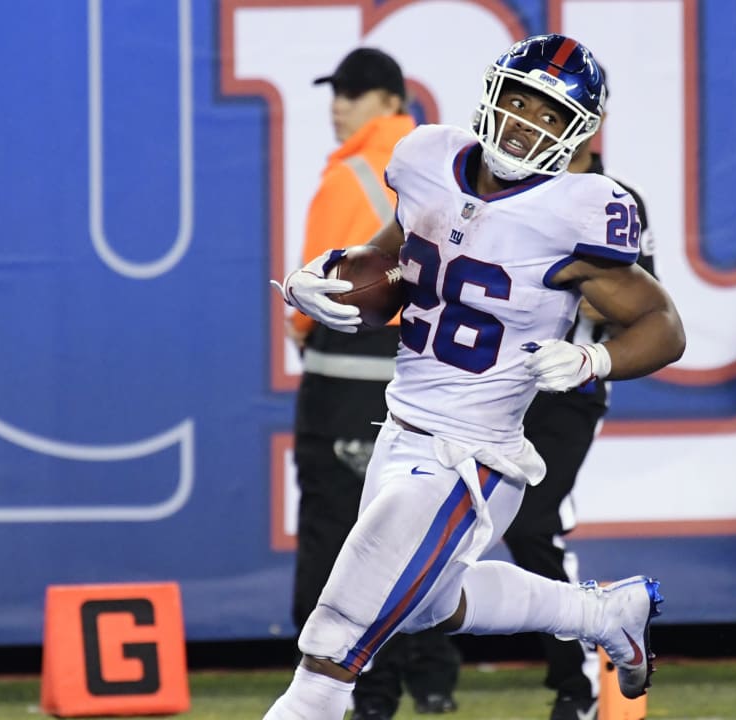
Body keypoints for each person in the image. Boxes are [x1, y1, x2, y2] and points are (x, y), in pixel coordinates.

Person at [267, 33, 686, 720]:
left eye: (550, 114)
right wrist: (334, 279)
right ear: (492, 92)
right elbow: (395, 265)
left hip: (473, 454)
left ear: (578, 133)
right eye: (520, 100)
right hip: (400, 426)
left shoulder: (576, 211)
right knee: (427, 607)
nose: (527, 122)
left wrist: (595, 359)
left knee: (334, 644)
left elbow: (663, 325)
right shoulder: (428, 159)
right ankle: (605, 612)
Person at [287, 47, 460, 718]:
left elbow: (327, 286)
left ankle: (346, 686)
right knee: (421, 527)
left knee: (340, 531)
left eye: (354, 92)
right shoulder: (450, 167)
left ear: (390, 100)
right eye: (336, 91)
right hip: (432, 373)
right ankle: (437, 676)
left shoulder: (353, 171)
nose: (339, 103)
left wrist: (305, 330)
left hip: (348, 370)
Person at [506, 136, 657, 720]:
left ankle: (580, 679)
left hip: (571, 386)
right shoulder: (513, 189)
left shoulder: (616, 201)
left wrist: (557, 275)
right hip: (495, 388)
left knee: (532, 525)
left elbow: (636, 303)